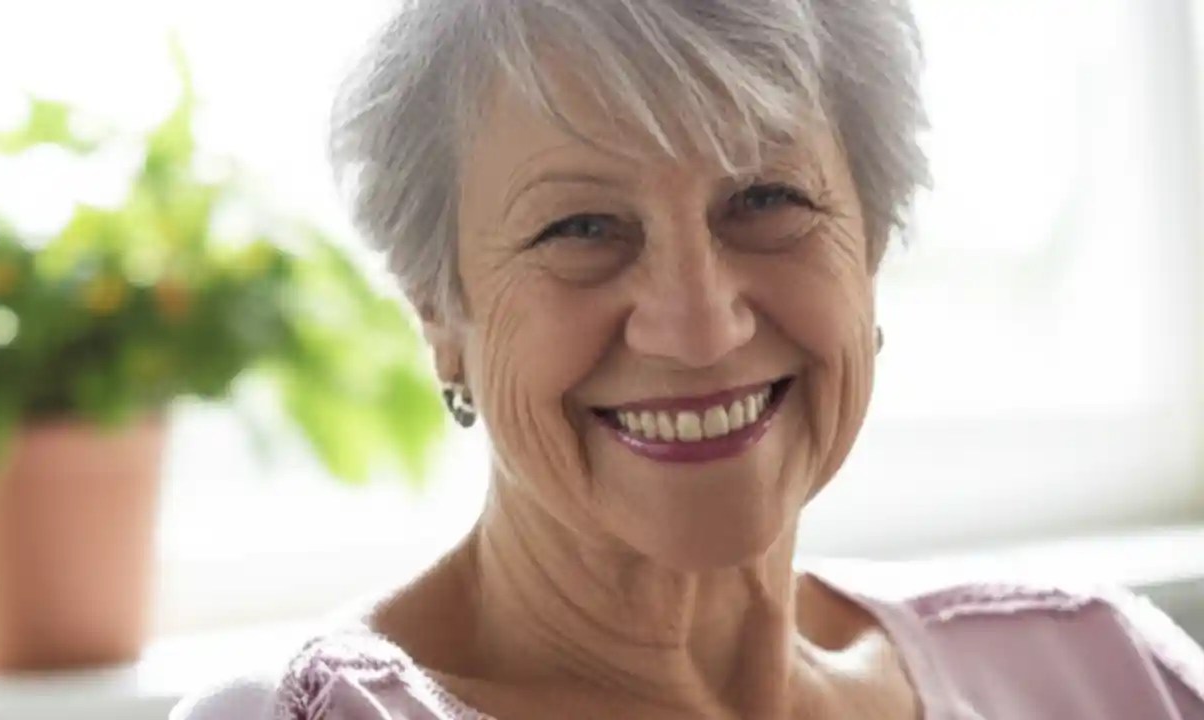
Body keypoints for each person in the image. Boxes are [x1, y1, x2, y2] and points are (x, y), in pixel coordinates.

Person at [174, 0, 1204, 717]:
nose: (700, 327)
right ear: (439, 311)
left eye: (765, 200)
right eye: (581, 228)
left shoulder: (1106, 676)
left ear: (870, 250)